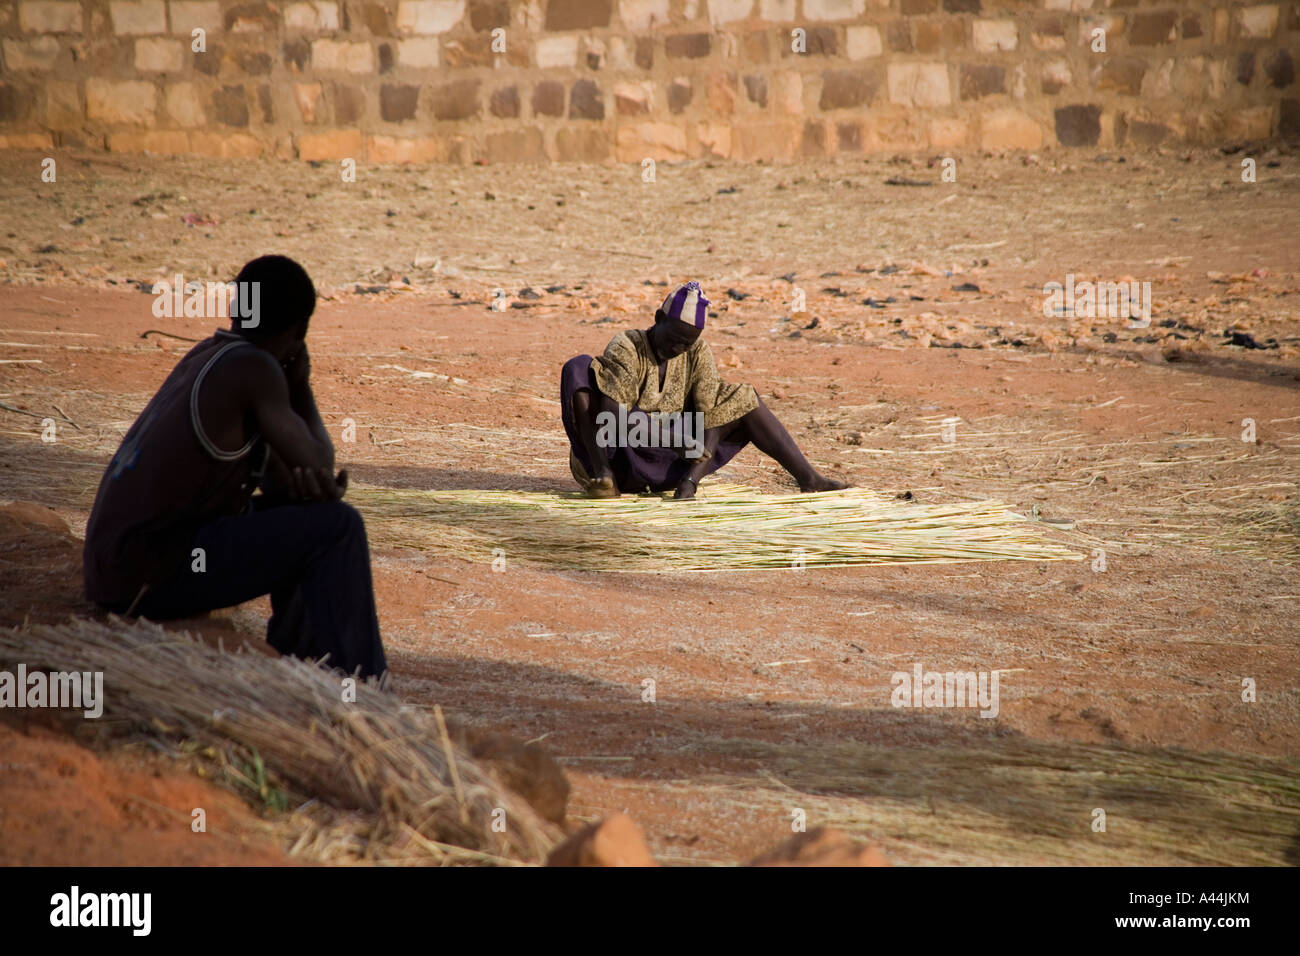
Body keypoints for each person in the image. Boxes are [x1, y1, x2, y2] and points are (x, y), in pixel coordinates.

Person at [83, 255, 387, 680]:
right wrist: (301, 385)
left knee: (311, 520)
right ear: (300, 331)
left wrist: (298, 495)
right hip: (146, 574)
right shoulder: (255, 368)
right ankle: (362, 686)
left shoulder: (211, 354)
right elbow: (320, 460)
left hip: (117, 566)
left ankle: (303, 668)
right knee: (338, 527)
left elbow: (285, 476)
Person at [561, 280, 848, 500]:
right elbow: (613, 417)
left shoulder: (698, 352)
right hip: (619, 455)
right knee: (578, 368)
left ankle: (809, 480)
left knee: (742, 398)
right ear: (658, 318)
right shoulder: (627, 345)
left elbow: (711, 415)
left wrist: (691, 480)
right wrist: (673, 441)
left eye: (685, 344)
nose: (677, 349)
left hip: (669, 464)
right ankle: (603, 477)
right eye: (673, 339)